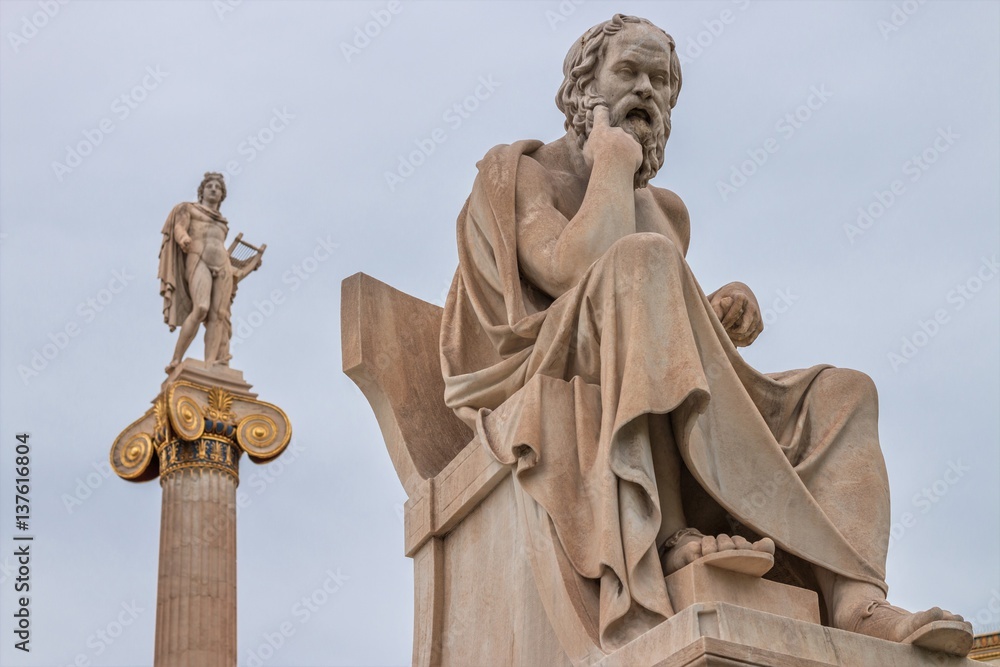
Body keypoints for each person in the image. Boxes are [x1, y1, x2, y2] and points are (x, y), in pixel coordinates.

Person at [440, 14, 972, 655]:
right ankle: (668, 532)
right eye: (628, 73)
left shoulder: (667, 212)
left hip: (628, 340)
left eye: (660, 81)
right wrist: (611, 165)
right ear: (584, 86)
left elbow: (666, 315)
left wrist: (719, 304)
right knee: (643, 261)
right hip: (551, 359)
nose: (646, 91)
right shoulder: (523, 173)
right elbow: (572, 269)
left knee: (844, 392)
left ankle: (857, 599)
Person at [159, 172, 260, 372]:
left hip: (222, 263)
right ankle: (176, 359)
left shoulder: (222, 222)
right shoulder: (189, 209)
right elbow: (178, 227)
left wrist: (250, 264)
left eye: (218, 187)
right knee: (202, 308)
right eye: (210, 186)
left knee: (219, 315)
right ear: (202, 191)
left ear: (222, 195)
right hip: (198, 259)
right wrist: (183, 238)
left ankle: (211, 363)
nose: (214, 189)